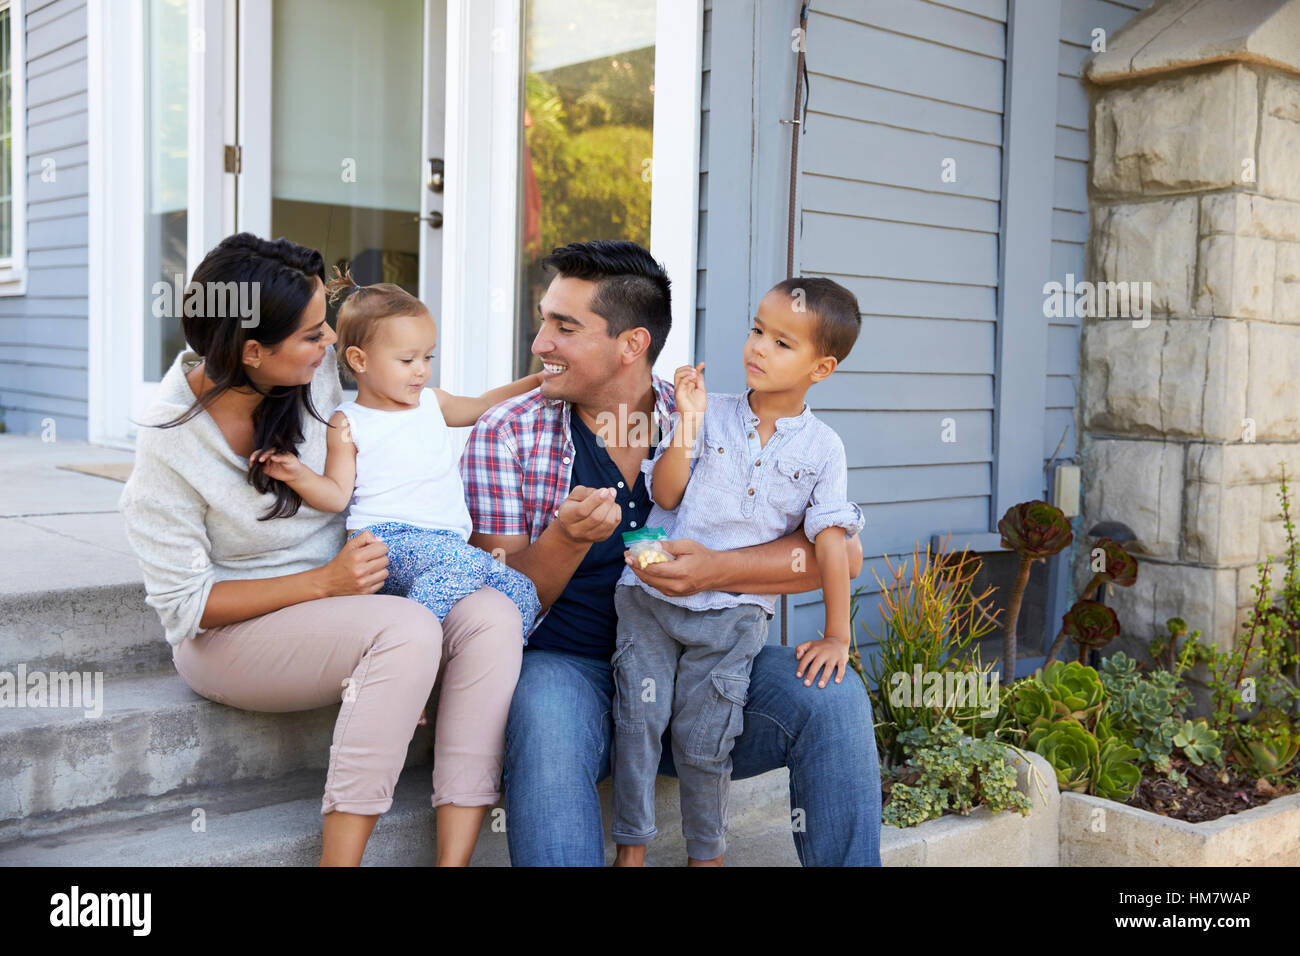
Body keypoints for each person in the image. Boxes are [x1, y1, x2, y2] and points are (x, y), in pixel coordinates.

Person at [461, 240, 883, 866]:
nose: (540, 342)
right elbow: (498, 597)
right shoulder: (507, 433)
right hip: (573, 670)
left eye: (564, 326)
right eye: (543, 319)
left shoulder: (707, 416)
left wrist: (720, 569)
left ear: (631, 344)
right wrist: (567, 539)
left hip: (702, 667)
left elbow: (842, 557)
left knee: (833, 696)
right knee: (545, 723)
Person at [118, 232, 523, 866]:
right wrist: (325, 583)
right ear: (253, 350)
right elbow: (187, 607)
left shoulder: (320, 376)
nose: (331, 342)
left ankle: (453, 862)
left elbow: (415, 392)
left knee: (493, 616)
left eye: (327, 327)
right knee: (410, 629)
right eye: (313, 335)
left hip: (355, 595)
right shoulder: (170, 445)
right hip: (237, 633)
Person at [610, 277, 865, 866]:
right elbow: (667, 497)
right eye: (756, 330)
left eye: (782, 343)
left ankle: (707, 856)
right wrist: (691, 420)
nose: (758, 348)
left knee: (706, 741)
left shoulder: (824, 450)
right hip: (650, 598)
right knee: (639, 723)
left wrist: (836, 635)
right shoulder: (713, 413)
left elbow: (831, 545)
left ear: (821, 368)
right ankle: (631, 852)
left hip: (730, 621)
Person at [251, 264, 543, 644]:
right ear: (359, 361)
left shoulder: (433, 404)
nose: (421, 371)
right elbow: (336, 495)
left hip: (444, 546)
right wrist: (296, 474)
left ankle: (470, 657)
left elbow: (484, 405)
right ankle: (407, 648)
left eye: (428, 358)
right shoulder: (349, 422)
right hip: (387, 542)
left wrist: (537, 382)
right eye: (407, 361)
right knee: (463, 567)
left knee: (523, 592)